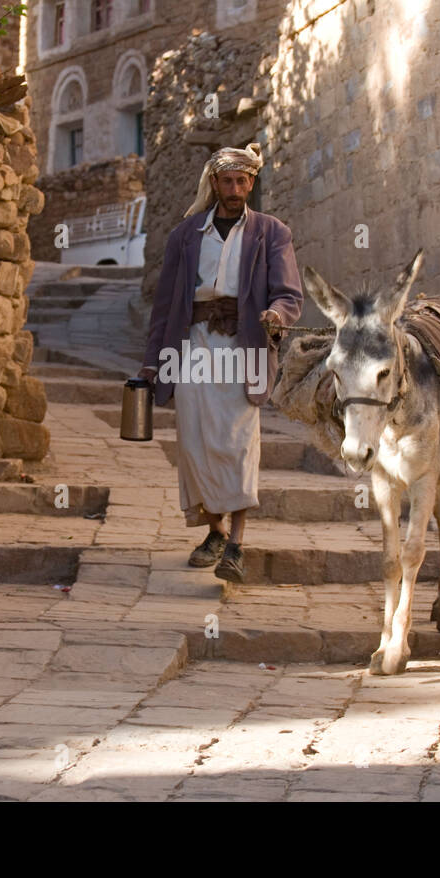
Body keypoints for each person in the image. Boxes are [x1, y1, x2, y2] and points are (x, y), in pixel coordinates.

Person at [137, 143, 302, 582]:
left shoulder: (271, 232)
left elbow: (289, 295)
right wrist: (152, 364)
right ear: (215, 183)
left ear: (252, 182)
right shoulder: (185, 235)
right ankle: (213, 531)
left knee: (237, 441)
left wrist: (275, 316)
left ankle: (236, 545)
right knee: (194, 444)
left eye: (243, 180)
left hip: (242, 349)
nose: (235, 188)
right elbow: (166, 305)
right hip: (192, 348)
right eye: (227, 180)